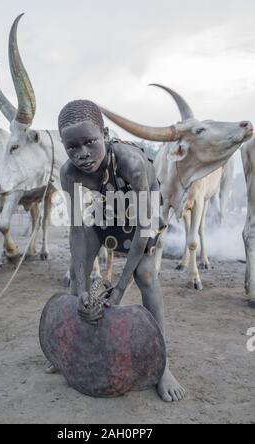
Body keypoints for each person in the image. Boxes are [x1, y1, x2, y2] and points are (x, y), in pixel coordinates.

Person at [58, 99, 185, 402]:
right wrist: (84, 282)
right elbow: (77, 230)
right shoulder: (70, 173)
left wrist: (118, 290)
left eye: (90, 142)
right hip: (107, 212)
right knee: (77, 277)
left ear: (105, 134)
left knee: (146, 275)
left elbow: (143, 230)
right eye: (72, 147)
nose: (82, 154)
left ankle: (161, 365)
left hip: (142, 216)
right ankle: (73, 348)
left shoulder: (131, 163)